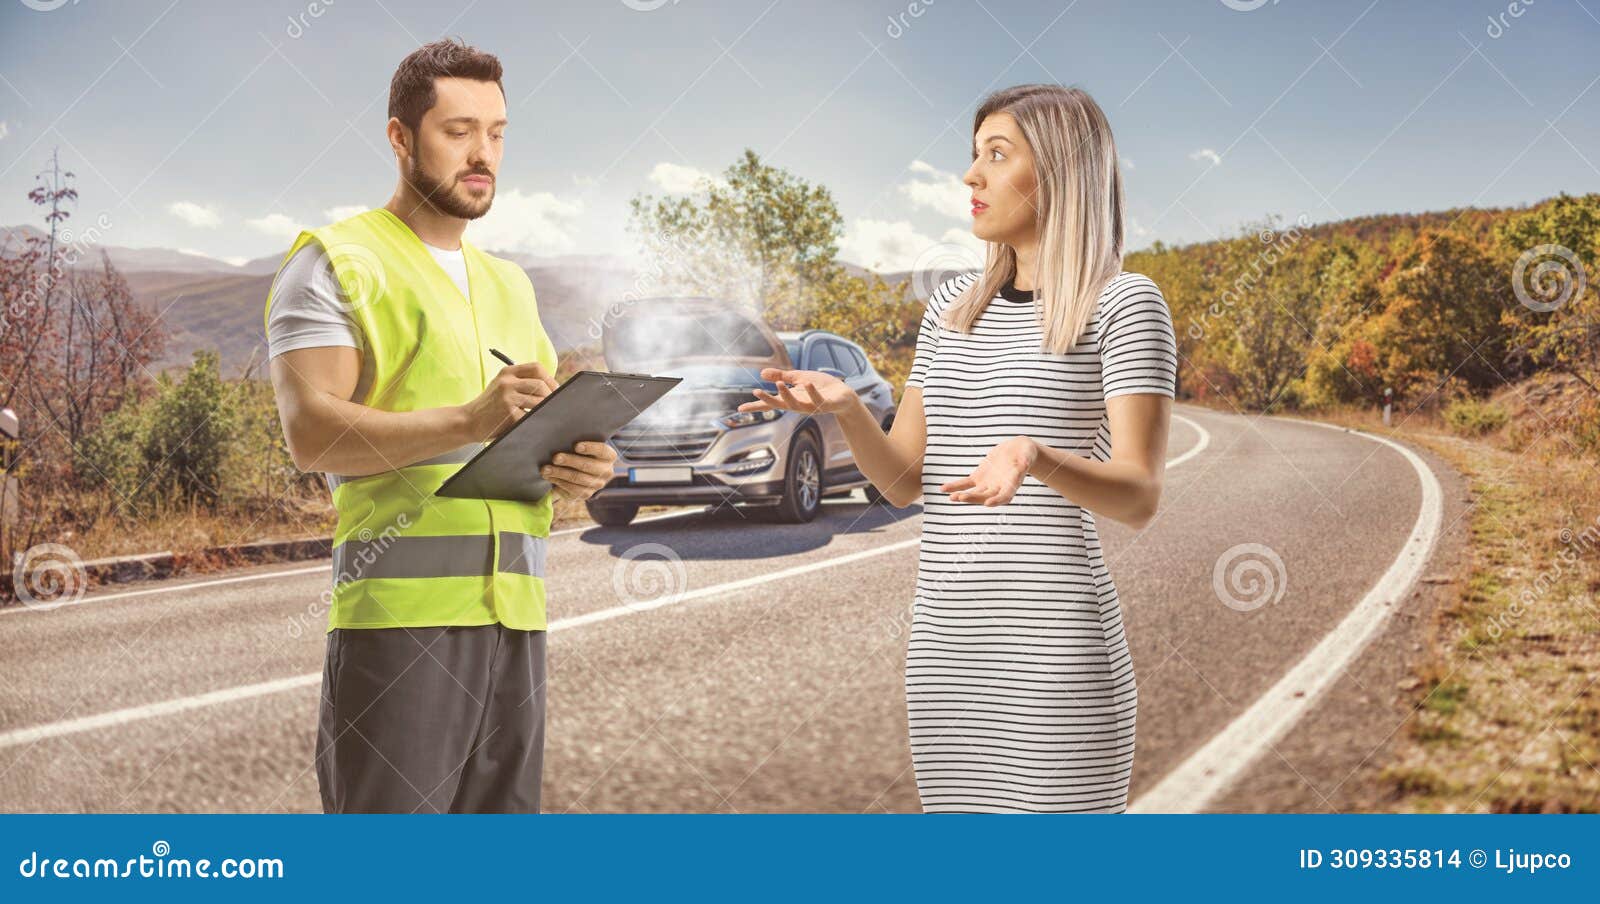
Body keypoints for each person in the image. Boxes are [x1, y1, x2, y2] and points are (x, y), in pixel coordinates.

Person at [739, 84, 1177, 813]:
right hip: (946, 657)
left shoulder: (1125, 305)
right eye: (973, 155)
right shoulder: (950, 310)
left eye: (996, 156)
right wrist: (847, 407)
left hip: (1054, 659)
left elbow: (1139, 495)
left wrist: (1035, 454)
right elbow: (904, 483)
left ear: (1063, 172)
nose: (971, 176)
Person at [266, 38, 617, 814]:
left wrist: (579, 463)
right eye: (458, 132)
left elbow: (527, 434)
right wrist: (469, 417)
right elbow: (312, 435)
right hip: (401, 628)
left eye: (496, 132)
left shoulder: (511, 285)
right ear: (400, 138)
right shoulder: (336, 261)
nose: (482, 153)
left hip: (517, 618)